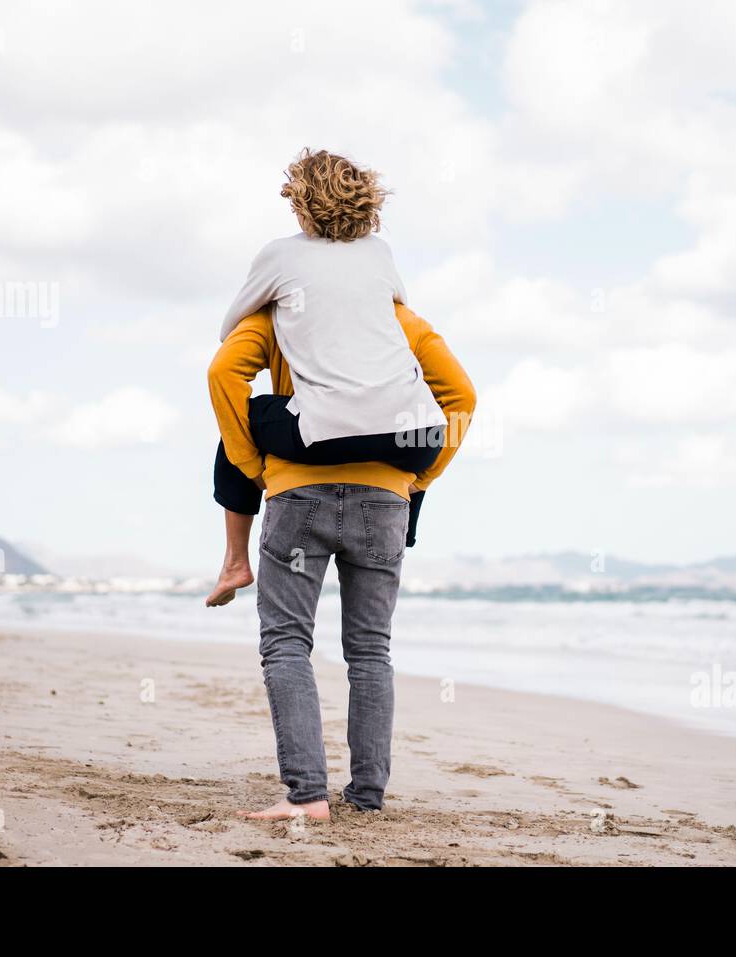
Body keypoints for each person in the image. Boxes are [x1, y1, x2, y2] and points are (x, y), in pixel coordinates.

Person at [207, 303, 474, 818]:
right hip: (385, 498)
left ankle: (307, 795)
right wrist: (420, 479)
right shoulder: (399, 319)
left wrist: (251, 464)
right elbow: (461, 397)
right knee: (371, 650)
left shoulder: (284, 311)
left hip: (297, 492)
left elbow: (223, 372)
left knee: (287, 644)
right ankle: (367, 797)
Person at [207, 148, 446, 607]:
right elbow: (394, 312)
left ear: (300, 201)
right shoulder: (381, 252)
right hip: (419, 434)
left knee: (245, 415)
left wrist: (252, 466)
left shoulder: (279, 254)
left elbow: (227, 344)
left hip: (329, 433)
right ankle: (399, 537)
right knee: (373, 647)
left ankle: (235, 561)